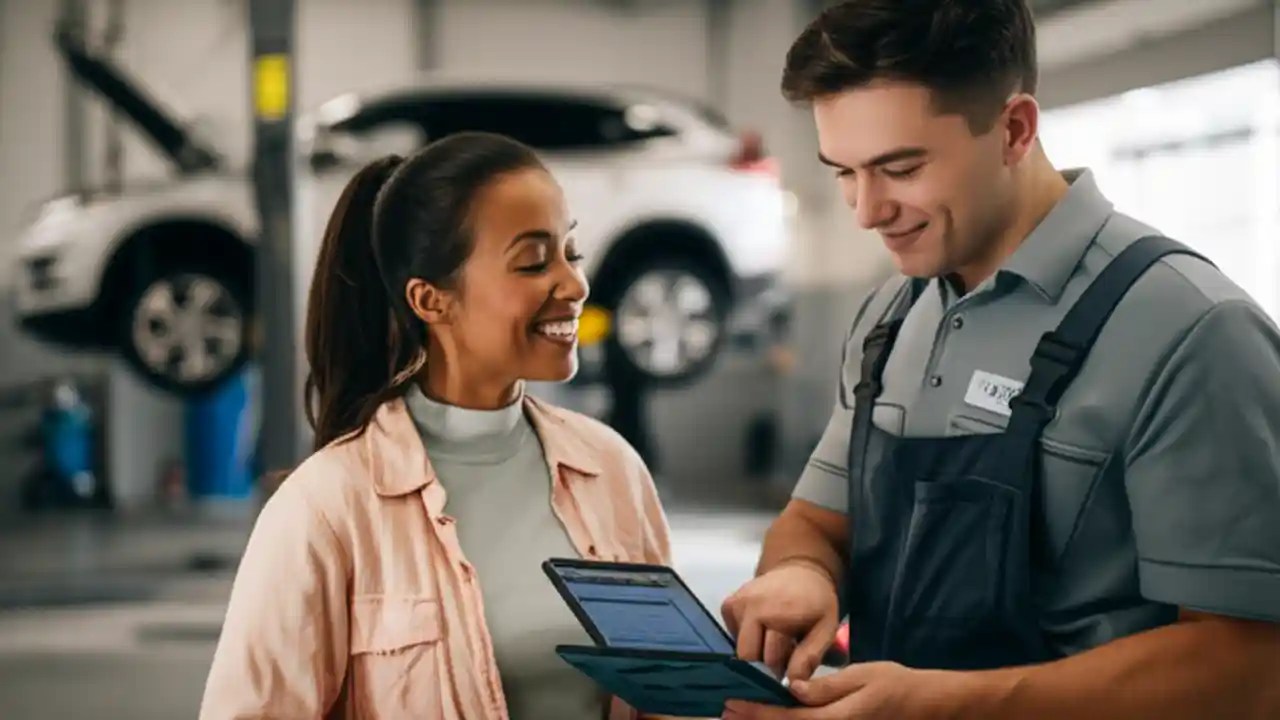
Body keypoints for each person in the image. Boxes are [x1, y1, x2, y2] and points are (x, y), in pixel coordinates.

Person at [720, 1, 1280, 718]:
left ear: (1014, 130)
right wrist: (803, 574)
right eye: (844, 173)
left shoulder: (1193, 331)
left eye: (900, 167)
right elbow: (818, 521)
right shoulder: (892, 315)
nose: (866, 210)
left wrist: (945, 706)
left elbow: (1249, 663)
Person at [199, 132, 674, 720]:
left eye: (570, 253)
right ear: (430, 300)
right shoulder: (325, 509)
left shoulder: (611, 471)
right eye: (533, 261)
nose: (574, 284)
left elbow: (669, 697)